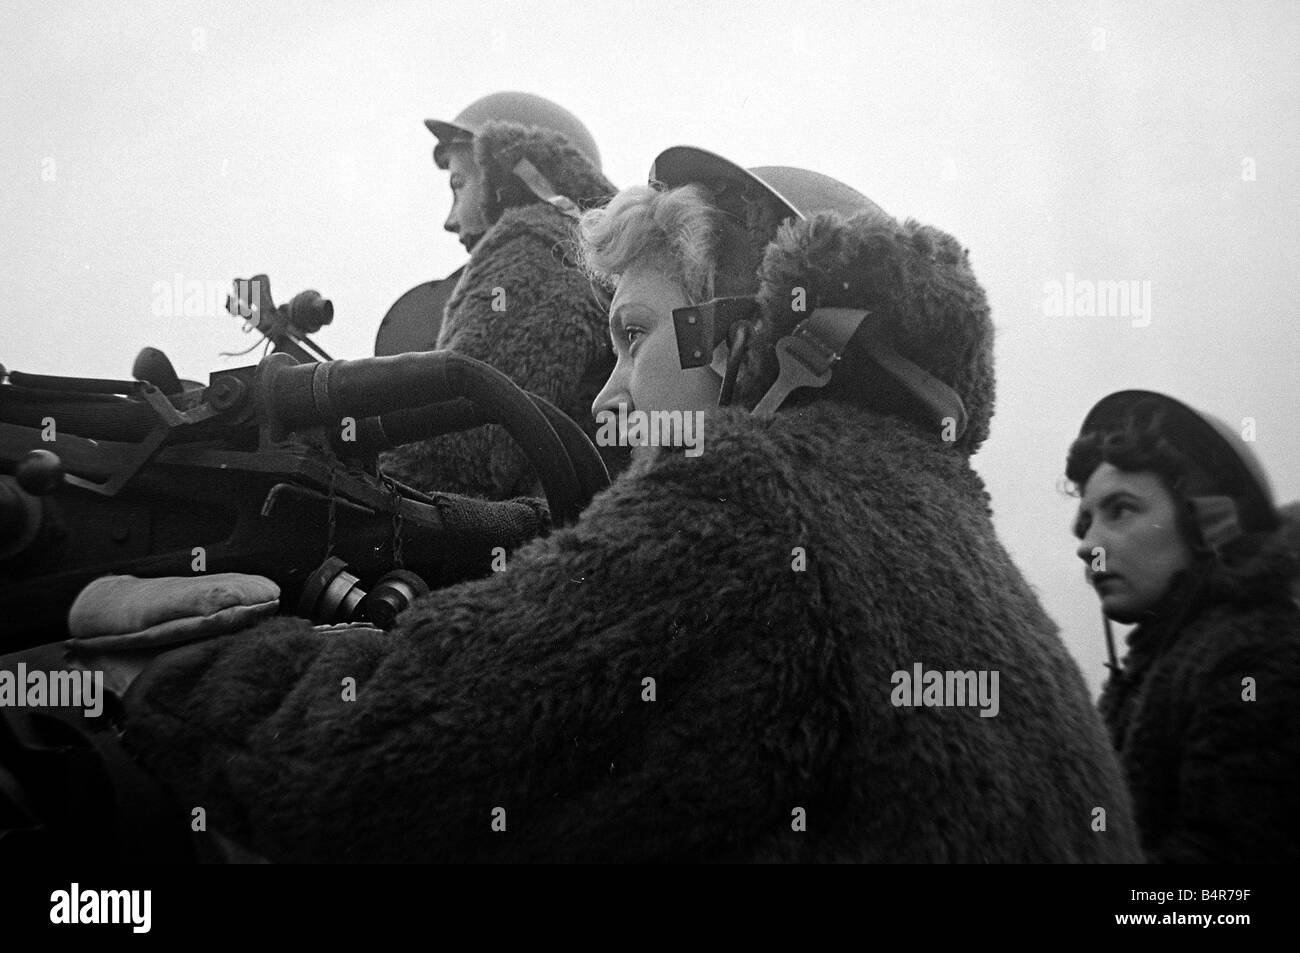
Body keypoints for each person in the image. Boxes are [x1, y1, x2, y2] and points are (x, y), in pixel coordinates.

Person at [116, 147, 1141, 862]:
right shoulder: (936, 532)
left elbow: (373, 757)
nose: (603, 397)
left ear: (747, 337)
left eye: (632, 334)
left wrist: (163, 669)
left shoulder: (756, 499)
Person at [1067, 390, 1300, 862]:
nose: (1087, 544)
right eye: (1086, 521)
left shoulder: (1261, 660)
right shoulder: (1151, 669)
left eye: (1121, 510)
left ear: (1205, 524)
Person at [376, 91, 626, 499]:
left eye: (459, 185)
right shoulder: (579, 256)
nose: (450, 220)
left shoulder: (534, 248)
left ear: (503, 178)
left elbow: (456, 444)